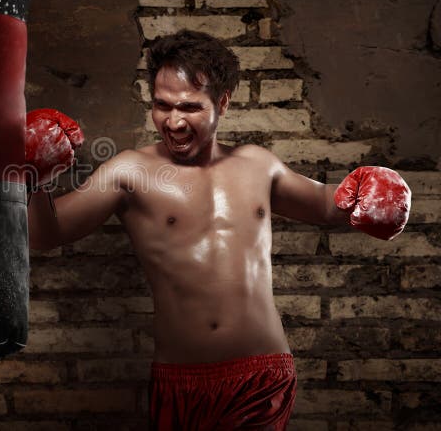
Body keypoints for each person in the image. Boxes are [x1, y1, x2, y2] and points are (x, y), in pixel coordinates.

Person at [24, 30, 411, 430]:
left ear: (222, 103)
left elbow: (328, 204)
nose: (173, 122)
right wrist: (35, 176)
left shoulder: (258, 165)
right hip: (180, 383)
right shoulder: (129, 171)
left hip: (260, 378)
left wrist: (374, 187)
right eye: (162, 105)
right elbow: (47, 234)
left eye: (190, 107)